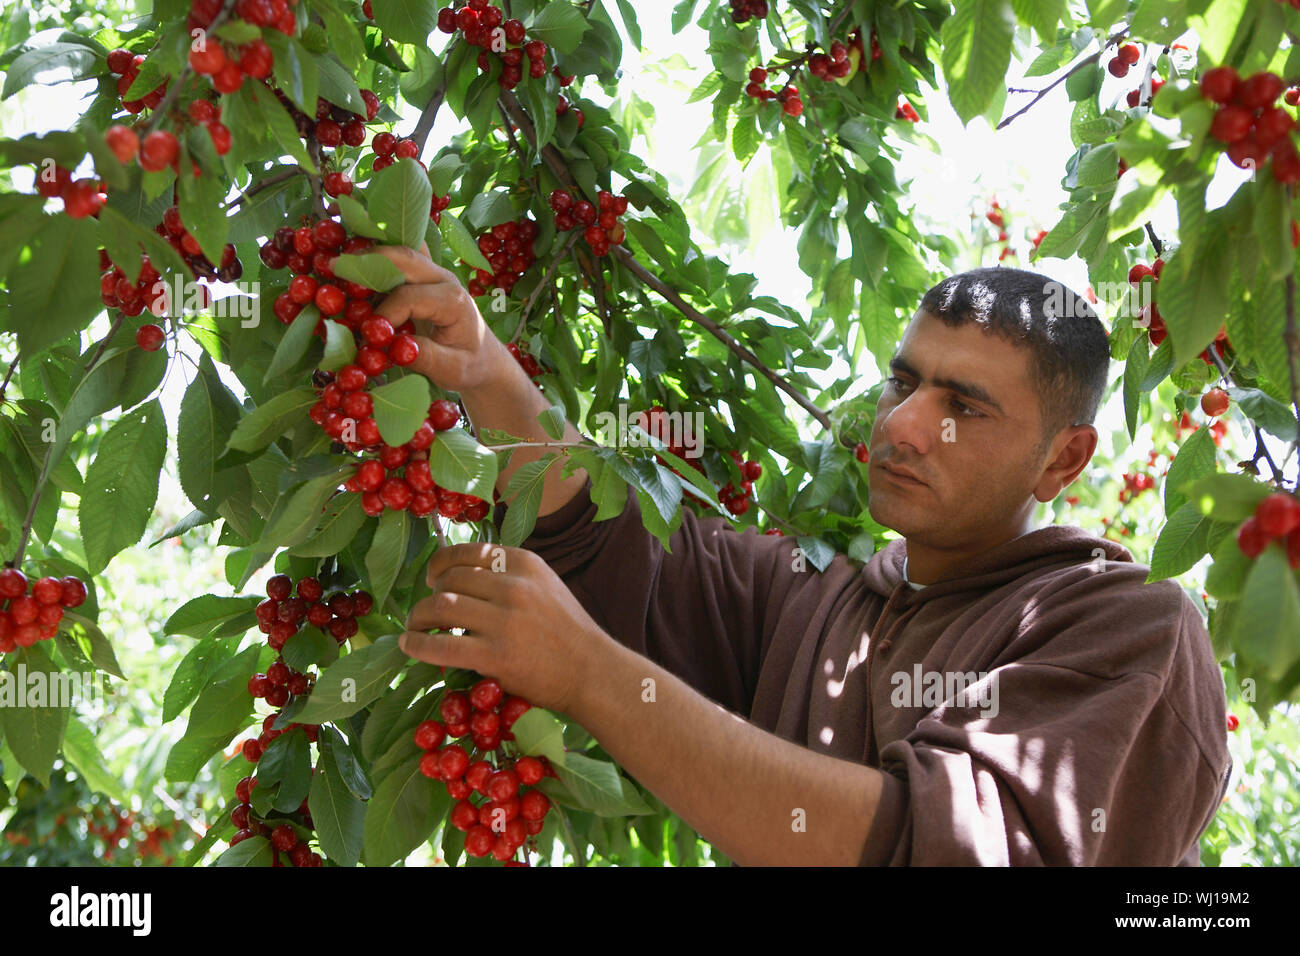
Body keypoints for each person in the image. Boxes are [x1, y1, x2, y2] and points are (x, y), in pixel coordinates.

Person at [377, 247, 1232, 866]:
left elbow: (944, 850)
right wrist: (485, 368)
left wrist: (590, 675)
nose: (898, 426)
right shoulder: (818, 600)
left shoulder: (1126, 624)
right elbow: (610, 542)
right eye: (904, 383)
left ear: (1063, 459)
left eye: (963, 407)